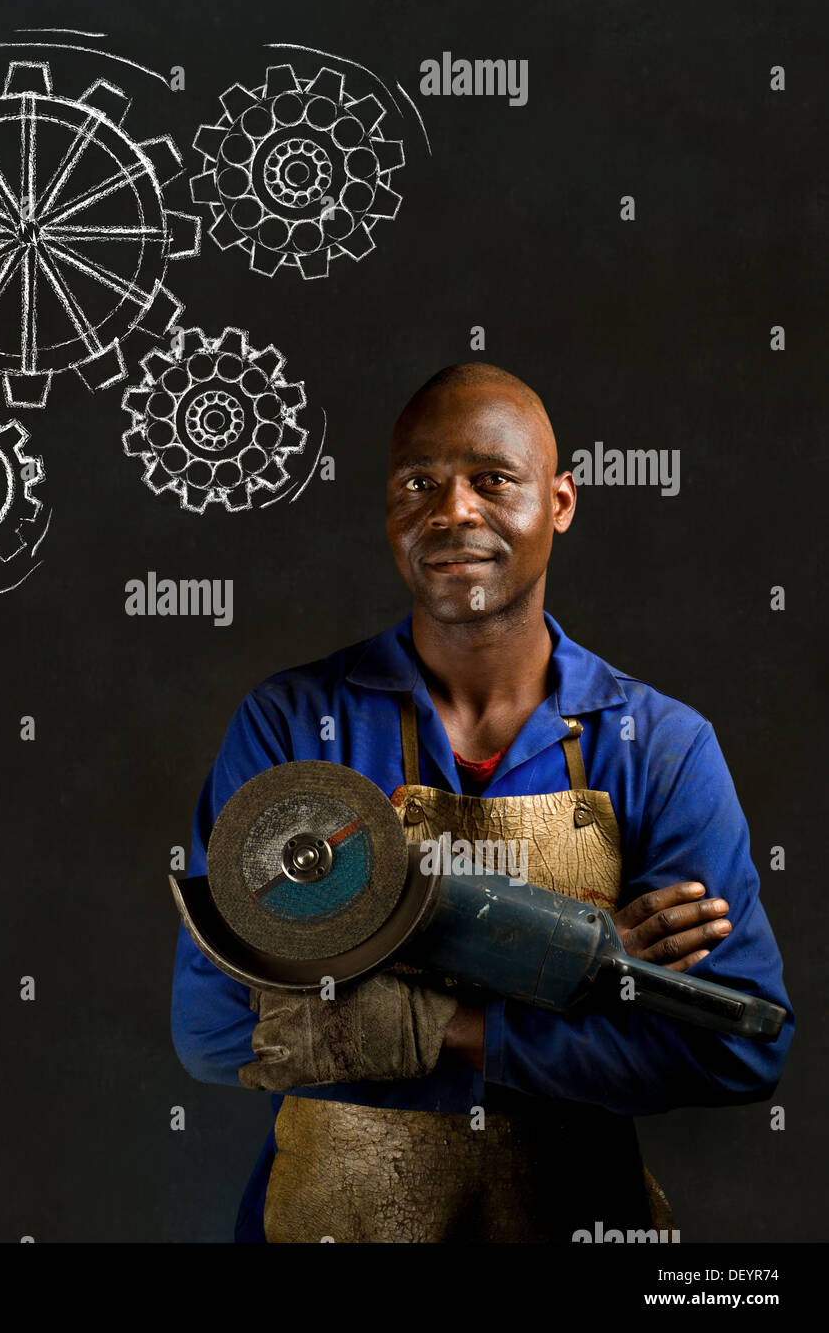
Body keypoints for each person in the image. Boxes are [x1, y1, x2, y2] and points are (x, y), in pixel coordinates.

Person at [170, 362, 793, 1243]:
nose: (452, 510)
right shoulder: (289, 724)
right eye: (418, 482)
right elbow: (216, 1029)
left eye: (492, 480)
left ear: (562, 502)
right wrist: (575, 971)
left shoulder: (659, 746)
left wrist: (427, 1021)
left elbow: (738, 1043)